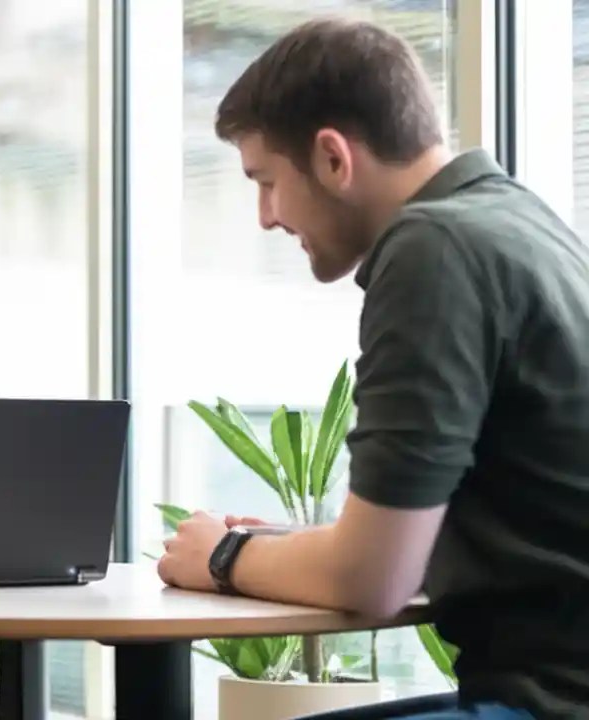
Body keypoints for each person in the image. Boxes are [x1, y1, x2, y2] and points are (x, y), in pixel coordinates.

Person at [157, 18, 589, 720]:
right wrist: (301, 548)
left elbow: (374, 579)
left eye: (266, 181)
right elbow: (411, 548)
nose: (265, 217)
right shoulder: (517, 222)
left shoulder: (434, 249)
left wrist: (223, 554)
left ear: (333, 158)